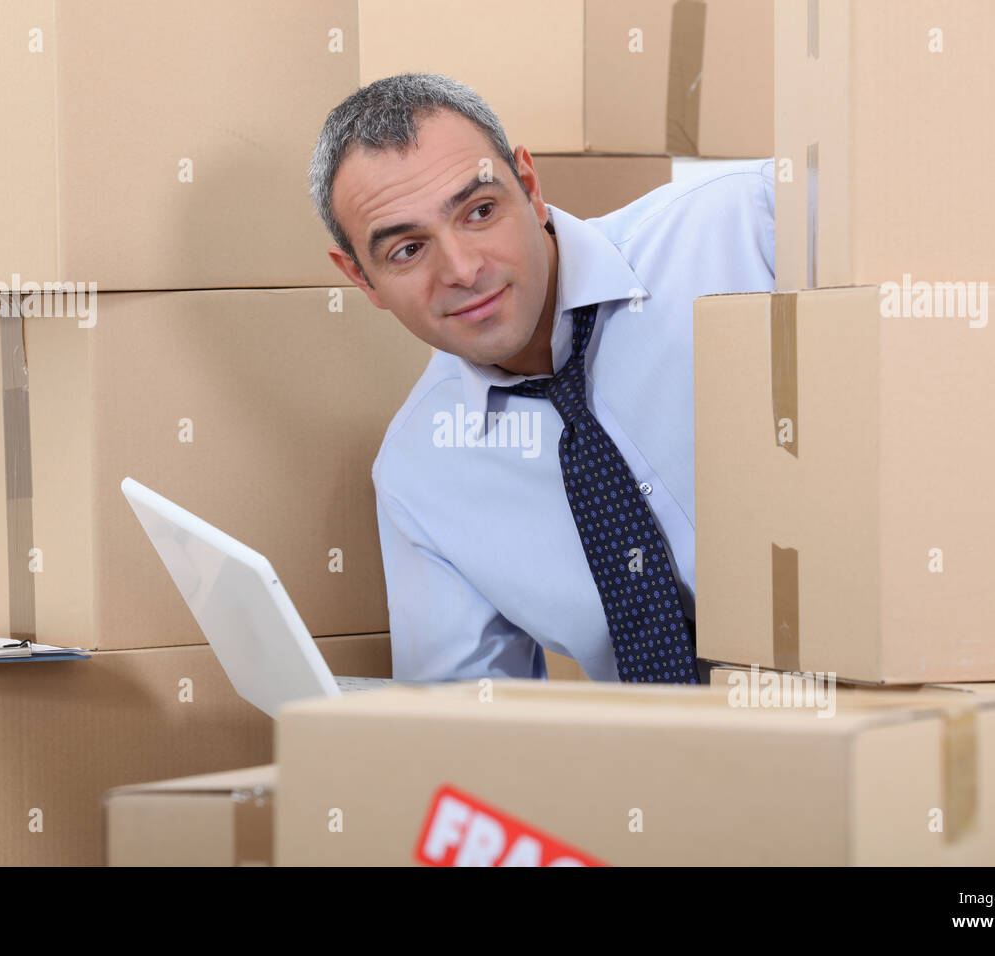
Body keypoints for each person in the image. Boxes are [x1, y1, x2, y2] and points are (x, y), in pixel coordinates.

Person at [308, 73, 774, 683]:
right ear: (361, 279)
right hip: (665, 771)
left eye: (479, 211)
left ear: (529, 187)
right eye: (407, 251)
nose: (464, 269)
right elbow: (470, 732)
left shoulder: (748, 224)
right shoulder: (419, 475)